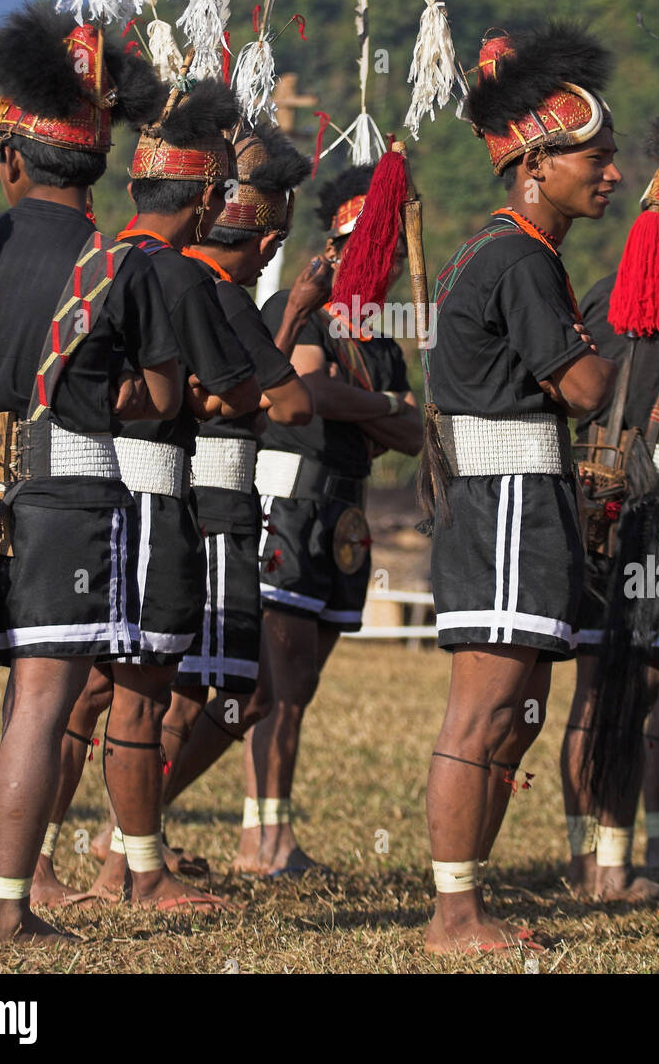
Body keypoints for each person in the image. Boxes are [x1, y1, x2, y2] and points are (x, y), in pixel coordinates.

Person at [0, 2, 182, 943]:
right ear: (94, 163)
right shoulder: (120, 259)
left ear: (12, 159)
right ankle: (10, 912)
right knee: (40, 698)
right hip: (63, 493)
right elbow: (161, 396)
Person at [31, 78, 261, 915]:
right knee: (137, 688)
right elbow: (224, 395)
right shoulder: (175, 273)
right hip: (150, 500)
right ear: (206, 199)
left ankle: (94, 867)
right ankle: (135, 871)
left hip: (70, 489)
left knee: (92, 690)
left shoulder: (97, 256)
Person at [420, 23, 620, 954]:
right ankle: (451, 917)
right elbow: (583, 388)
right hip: (503, 499)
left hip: (515, 499)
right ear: (535, 166)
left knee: (516, 716)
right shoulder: (518, 260)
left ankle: (469, 902)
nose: (611, 175)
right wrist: (627, 329)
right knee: (486, 711)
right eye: (597, 158)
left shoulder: (506, 254)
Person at [235, 162, 423, 876]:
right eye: (383, 248)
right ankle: (262, 838)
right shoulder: (301, 304)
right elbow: (305, 391)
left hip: (345, 508)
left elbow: (410, 434)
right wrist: (381, 410)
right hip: (288, 498)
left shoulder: (377, 341)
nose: (396, 264)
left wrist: (369, 405)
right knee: (276, 683)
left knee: (299, 685)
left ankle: (268, 831)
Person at [158, 122, 332, 833]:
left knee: (190, 689)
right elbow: (287, 405)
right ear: (264, 243)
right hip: (210, 506)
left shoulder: (169, 276)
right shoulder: (224, 293)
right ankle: (124, 843)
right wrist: (291, 317)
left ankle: (132, 836)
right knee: (203, 691)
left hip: (187, 498)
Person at [565, 110, 659, 901]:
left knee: (600, 691)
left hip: (598, 508)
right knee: (640, 694)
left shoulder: (600, 295)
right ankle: (615, 864)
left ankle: (586, 854)